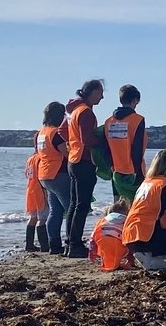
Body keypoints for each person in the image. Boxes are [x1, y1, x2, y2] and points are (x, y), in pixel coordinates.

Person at [63, 79, 106, 258]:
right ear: (91, 92)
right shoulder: (85, 112)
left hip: (73, 160)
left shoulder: (74, 111)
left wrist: (72, 144)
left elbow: (61, 131)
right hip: (83, 161)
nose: (102, 97)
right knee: (82, 205)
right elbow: (87, 139)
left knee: (74, 204)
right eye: (100, 93)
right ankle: (74, 245)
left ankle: (70, 243)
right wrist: (104, 140)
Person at [34, 102, 69, 254]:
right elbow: (67, 153)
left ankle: (54, 244)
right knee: (70, 209)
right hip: (58, 174)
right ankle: (71, 241)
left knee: (55, 211)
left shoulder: (41, 132)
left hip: (44, 175)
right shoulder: (56, 133)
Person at [105, 85, 147, 202]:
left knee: (118, 204)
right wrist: (138, 172)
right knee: (135, 205)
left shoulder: (109, 122)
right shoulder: (138, 120)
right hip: (133, 170)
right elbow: (137, 147)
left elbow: (106, 147)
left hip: (116, 170)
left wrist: (111, 167)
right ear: (135, 101)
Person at [88, 199, 134, 272]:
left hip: (102, 241)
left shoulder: (102, 220)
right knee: (128, 241)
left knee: (104, 242)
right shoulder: (126, 221)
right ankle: (128, 262)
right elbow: (129, 241)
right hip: (118, 243)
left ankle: (105, 263)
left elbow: (93, 237)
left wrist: (92, 252)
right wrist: (131, 258)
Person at [24, 150, 49, 252]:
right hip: (40, 190)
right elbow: (42, 175)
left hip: (30, 190)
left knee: (33, 217)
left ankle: (29, 244)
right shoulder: (40, 159)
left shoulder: (30, 159)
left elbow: (27, 174)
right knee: (42, 218)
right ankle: (44, 245)